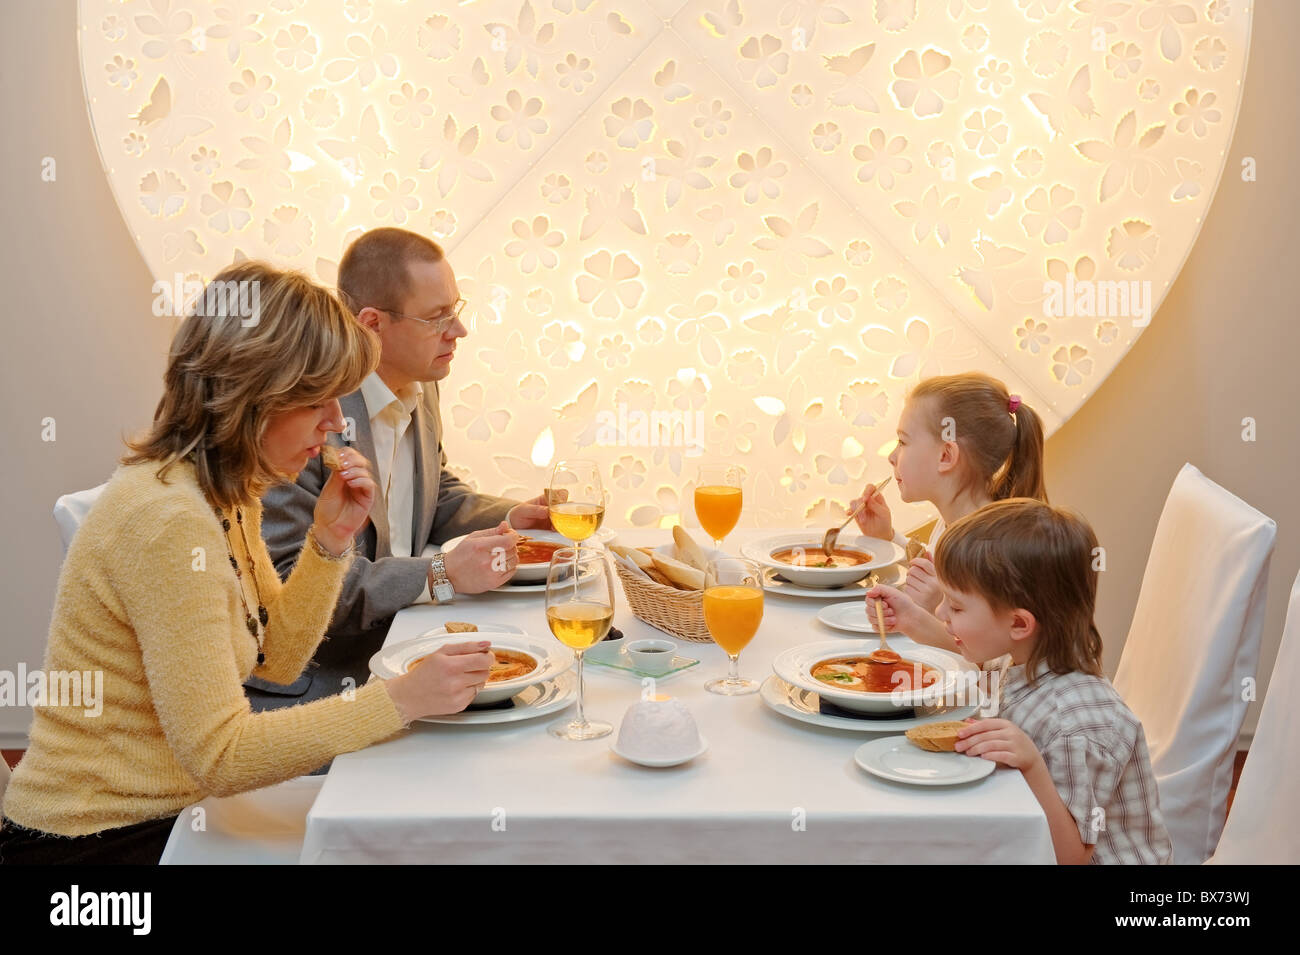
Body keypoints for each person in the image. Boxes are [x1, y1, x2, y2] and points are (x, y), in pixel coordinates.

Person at [0, 263, 493, 864]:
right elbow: (222, 754)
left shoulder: (228, 495)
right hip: (98, 844)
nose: (338, 425)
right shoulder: (169, 521)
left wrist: (329, 543)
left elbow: (276, 663)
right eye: (317, 400)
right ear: (251, 394)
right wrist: (402, 699)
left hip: (181, 813)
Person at [251, 228, 552, 711]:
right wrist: (439, 573)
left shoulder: (421, 378)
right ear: (372, 323)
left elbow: (433, 494)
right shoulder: (303, 417)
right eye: (437, 318)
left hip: (407, 651)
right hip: (320, 686)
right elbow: (289, 587)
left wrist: (517, 517)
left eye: (457, 308)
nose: (459, 331)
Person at [933, 499, 1173, 865]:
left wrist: (1031, 764)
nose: (940, 614)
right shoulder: (1019, 659)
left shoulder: (1075, 726)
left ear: (1018, 624)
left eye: (956, 606)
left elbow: (1069, 857)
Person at [855, 372, 1047, 652]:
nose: (892, 456)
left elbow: (989, 668)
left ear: (946, 456)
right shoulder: (956, 524)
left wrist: (935, 608)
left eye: (903, 441)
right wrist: (887, 537)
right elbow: (933, 566)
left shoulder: (989, 548)